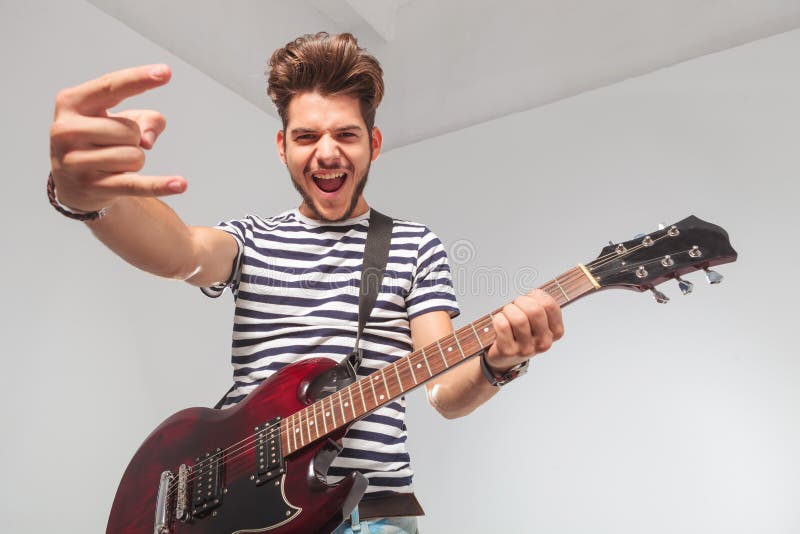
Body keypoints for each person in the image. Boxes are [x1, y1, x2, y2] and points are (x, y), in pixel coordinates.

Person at [48, 32, 563, 534]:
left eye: (345, 134)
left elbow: (445, 390)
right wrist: (90, 198)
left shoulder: (415, 246)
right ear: (282, 146)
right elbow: (181, 251)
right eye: (307, 136)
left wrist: (499, 362)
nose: (327, 152)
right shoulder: (251, 238)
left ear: (374, 143)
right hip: (232, 510)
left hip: (369, 513)